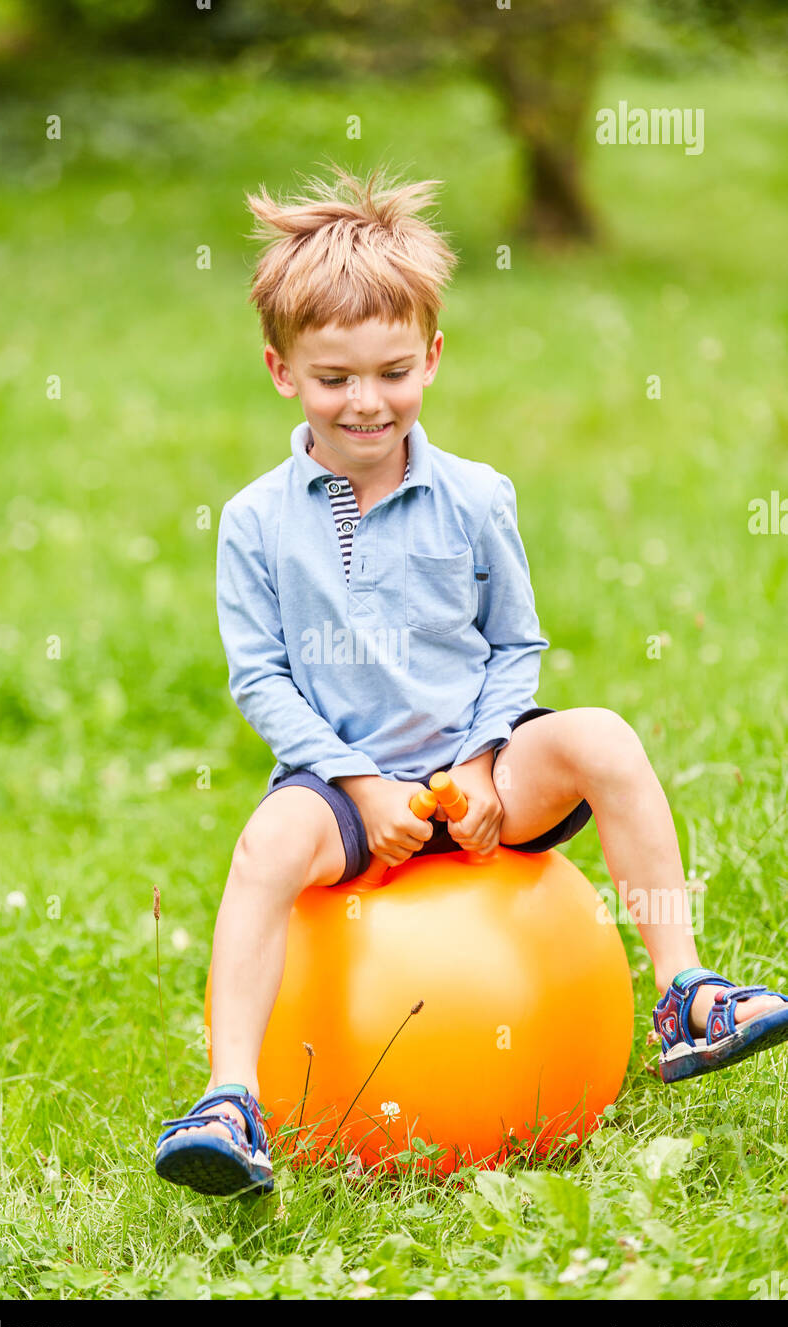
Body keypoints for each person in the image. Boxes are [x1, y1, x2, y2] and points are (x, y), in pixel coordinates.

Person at [155, 164, 788, 1198]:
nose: (366, 402)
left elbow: (514, 646)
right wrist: (359, 785)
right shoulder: (254, 522)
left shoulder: (475, 498)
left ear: (432, 356)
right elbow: (260, 680)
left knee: (602, 737)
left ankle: (684, 991)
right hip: (343, 793)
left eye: (393, 372)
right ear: (281, 372)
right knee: (266, 841)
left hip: (482, 773)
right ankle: (232, 1098)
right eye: (333, 379)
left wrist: (487, 759)